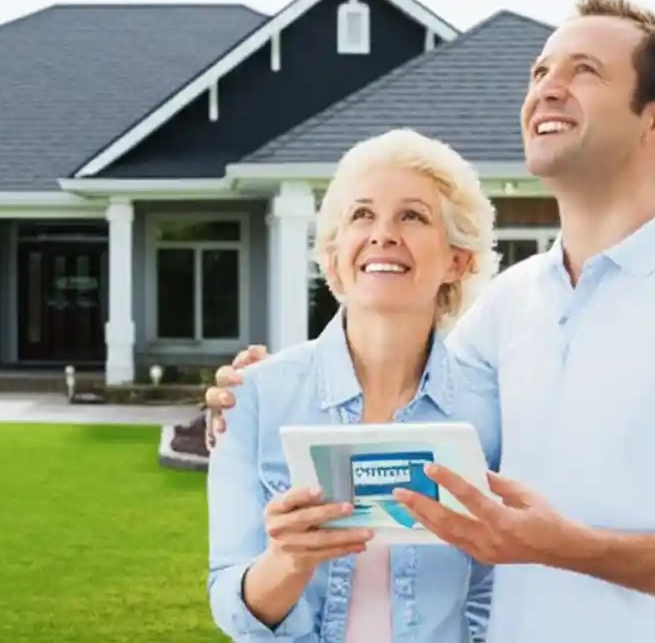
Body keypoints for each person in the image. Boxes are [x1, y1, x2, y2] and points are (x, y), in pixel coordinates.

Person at [205, 0, 655, 643]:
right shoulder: (511, 303)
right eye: (540, 72)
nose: (548, 89)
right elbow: (393, 376)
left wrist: (562, 546)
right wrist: (245, 397)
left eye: (585, 71)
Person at [207, 128, 502, 642]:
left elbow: (496, 593)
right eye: (362, 215)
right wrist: (288, 560)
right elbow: (231, 608)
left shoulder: (491, 411)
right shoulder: (253, 397)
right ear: (333, 254)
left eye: (412, 216)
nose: (383, 234)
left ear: (458, 260)